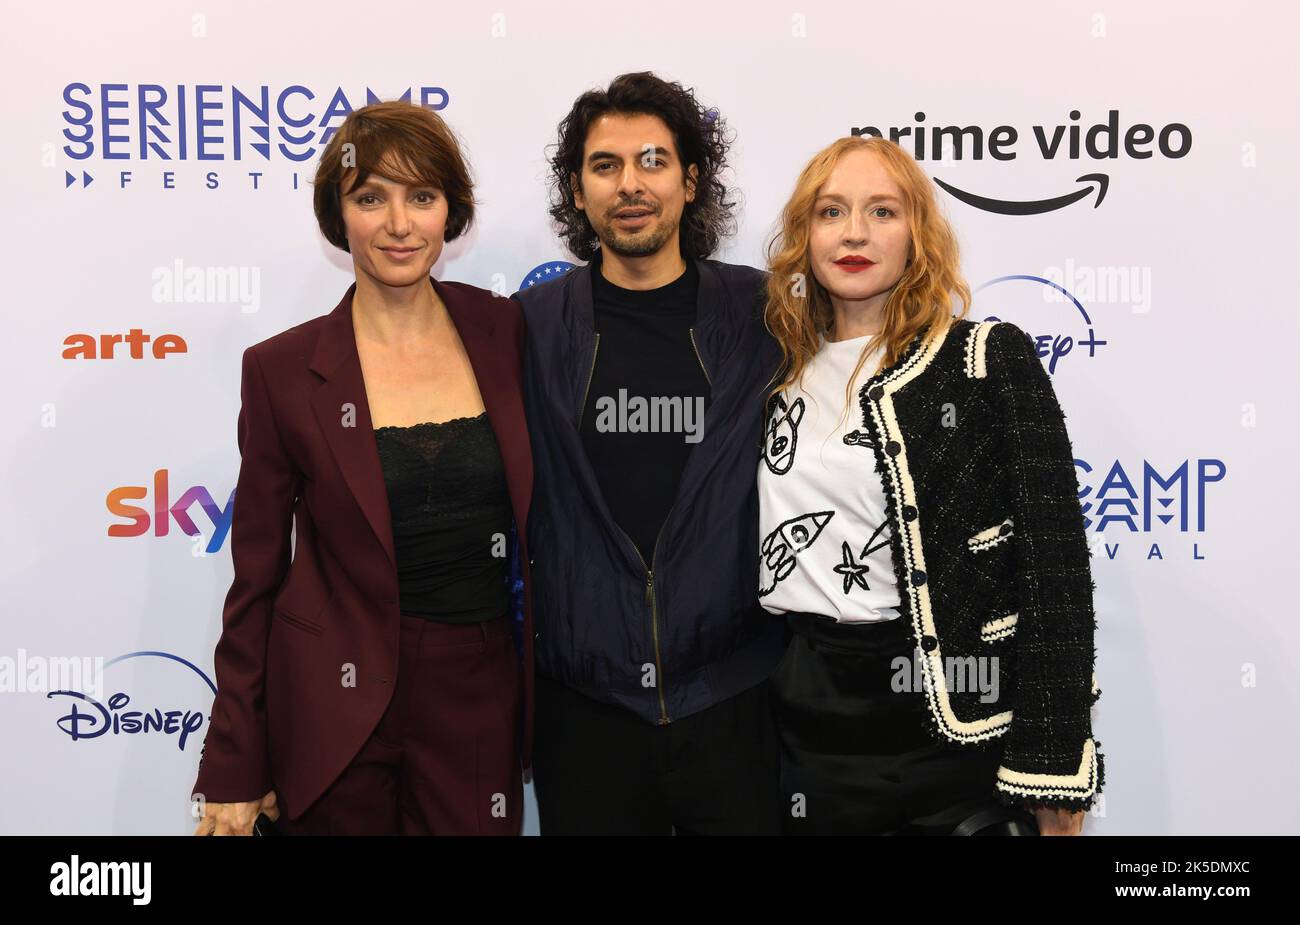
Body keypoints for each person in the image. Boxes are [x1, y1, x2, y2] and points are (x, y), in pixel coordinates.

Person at [190, 100, 535, 835]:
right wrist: (234, 760)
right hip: (331, 699)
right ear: (337, 215)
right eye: (370, 197)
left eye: (422, 196)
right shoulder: (281, 370)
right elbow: (255, 580)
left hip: (477, 691)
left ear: (452, 212)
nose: (399, 224)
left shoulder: (505, 331)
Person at [758, 136, 1104, 836]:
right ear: (804, 237)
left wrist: (1054, 771)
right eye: (832, 211)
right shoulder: (773, 367)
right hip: (803, 714)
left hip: (949, 722)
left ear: (919, 235)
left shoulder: (983, 359)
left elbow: (1055, 570)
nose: (854, 231)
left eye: (882, 211)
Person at [514, 72, 785, 834]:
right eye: (605, 165)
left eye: (653, 160)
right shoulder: (525, 328)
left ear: (691, 180)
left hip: (734, 700)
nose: (630, 184)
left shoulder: (763, 315)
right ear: (577, 189)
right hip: (585, 711)